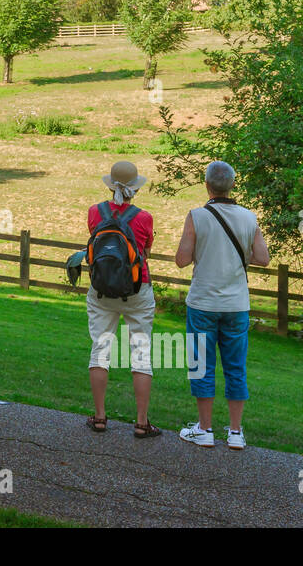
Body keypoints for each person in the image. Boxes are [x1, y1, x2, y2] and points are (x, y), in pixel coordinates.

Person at [173, 160, 270, 449]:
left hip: (203, 302)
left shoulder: (196, 216)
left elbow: (181, 260)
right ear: (233, 185)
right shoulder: (249, 218)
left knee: (202, 365)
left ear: (207, 185)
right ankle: (236, 432)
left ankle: (204, 429)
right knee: (235, 366)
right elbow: (263, 258)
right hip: (237, 304)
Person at [84, 160, 160, 438]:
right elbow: (146, 250)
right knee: (141, 353)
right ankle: (141, 422)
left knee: (100, 350)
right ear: (135, 189)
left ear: (110, 185)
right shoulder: (144, 218)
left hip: (102, 290)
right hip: (137, 290)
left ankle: (101, 417)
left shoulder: (95, 212)